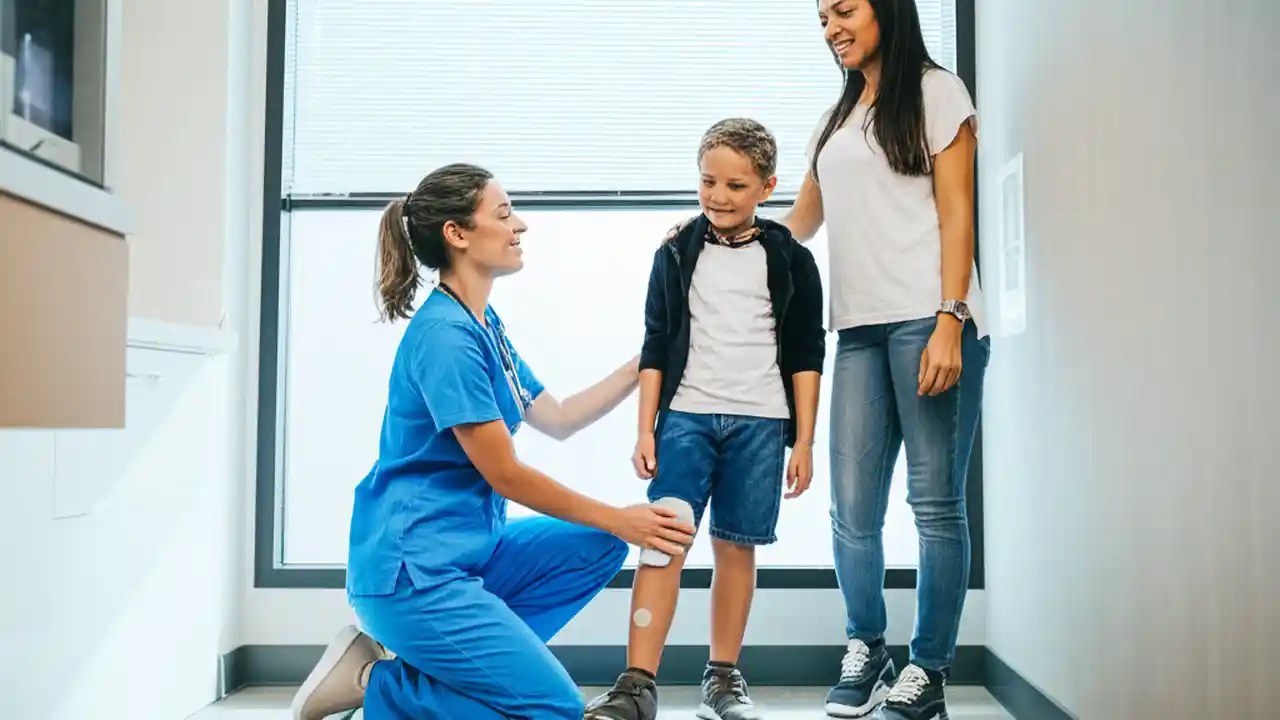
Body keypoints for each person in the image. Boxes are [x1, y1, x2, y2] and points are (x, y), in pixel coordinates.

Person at [288, 162, 697, 720]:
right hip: (413, 571)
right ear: (457, 234)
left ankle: (452, 668)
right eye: (503, 214)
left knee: (596, 547)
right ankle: (379, 684)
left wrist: (653, 356)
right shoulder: (444, 337)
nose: (520, 226)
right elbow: (504, 473)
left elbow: (559, 417)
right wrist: (619, 515)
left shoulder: (482, 323)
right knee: (552, 708)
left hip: (469, 552)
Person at [780, 2, 992, 719]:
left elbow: (959, 210)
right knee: (852, 510)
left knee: (934, 506)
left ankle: (929, 670)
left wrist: (950, 317)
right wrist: (715, 226)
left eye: (843, 9)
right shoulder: (834, 120)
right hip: (859, 329)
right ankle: (868, 647)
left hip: (929, 319)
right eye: (820, 19)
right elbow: (800, 226)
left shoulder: (938, 91)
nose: (831, 26)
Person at [583, 119, 826, 720]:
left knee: (736, 549)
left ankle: (723, 680)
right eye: (708, 181)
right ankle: (636, 684)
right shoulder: (674, 252)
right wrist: (645, 427)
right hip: (686, 419)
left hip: (762, 425)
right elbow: (656, 343)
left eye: (735, 186)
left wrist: (805, 442)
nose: (718, 196)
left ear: (767, 188)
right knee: (662, 546)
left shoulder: (792, 260)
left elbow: (805, 355)